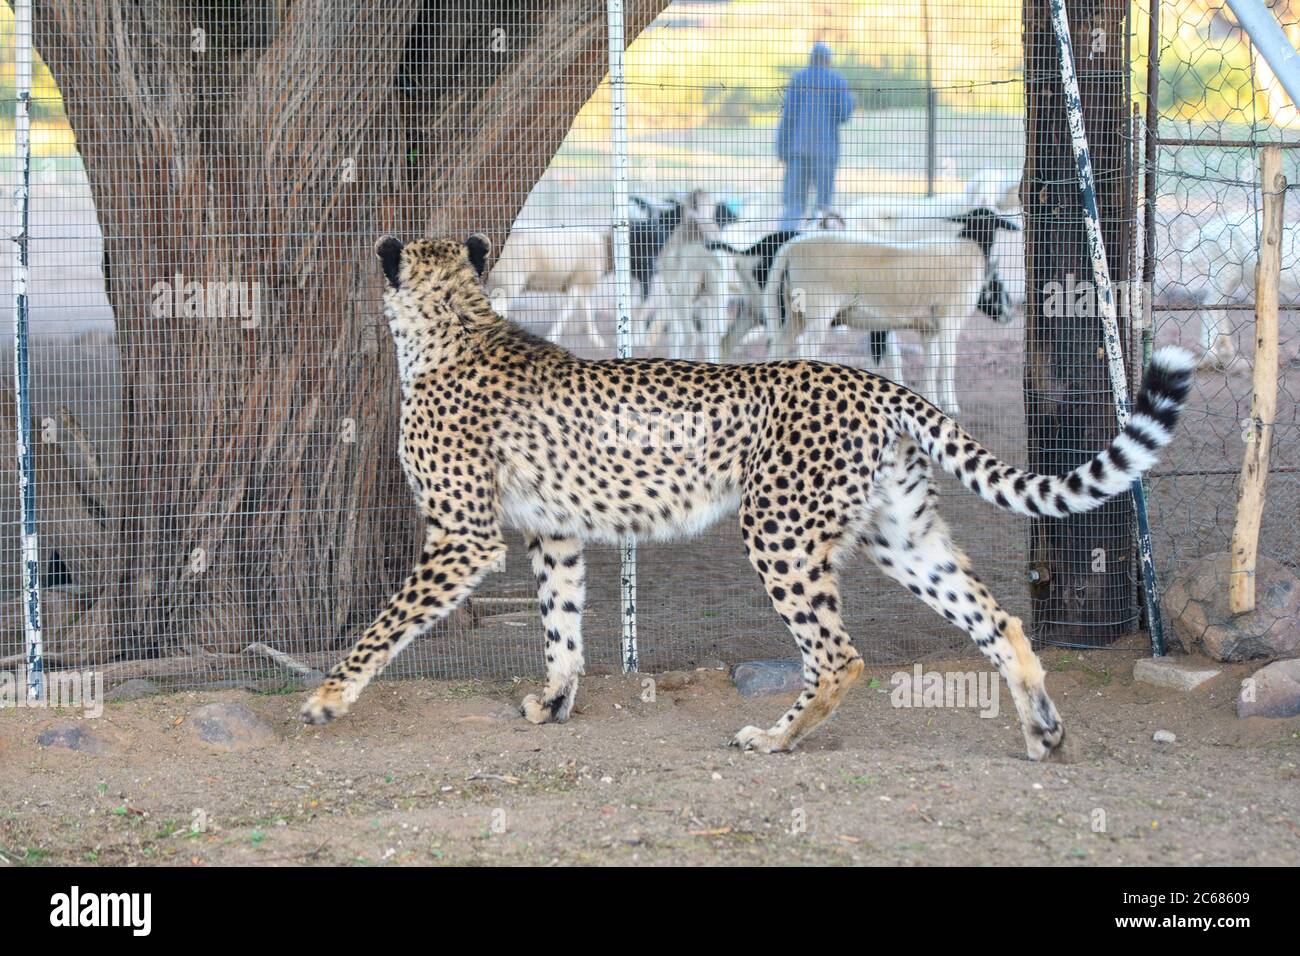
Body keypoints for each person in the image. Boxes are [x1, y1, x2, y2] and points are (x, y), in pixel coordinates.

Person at [776, 43, 854, 231]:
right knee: (823, 206)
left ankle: (783, 242)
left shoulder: (798, 79)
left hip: (798, 150)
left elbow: (787, 117)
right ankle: (817, 242)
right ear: (828, 60)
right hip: (825, 152)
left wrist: (781, 149)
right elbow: (844, 114)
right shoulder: (837, 81)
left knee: (794, 204)